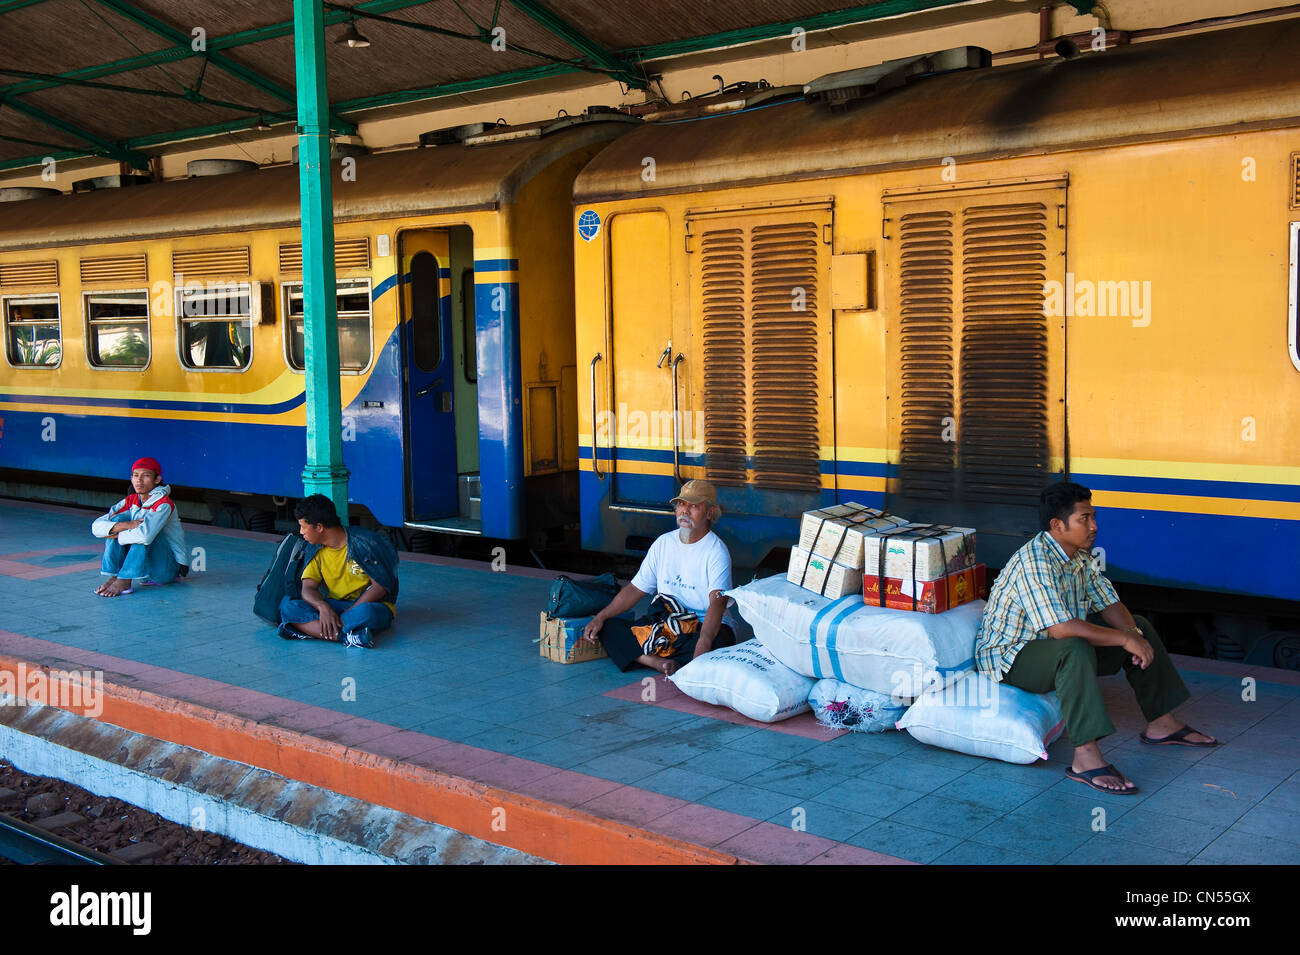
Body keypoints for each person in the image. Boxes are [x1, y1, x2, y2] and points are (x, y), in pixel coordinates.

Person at [974, 481, 1216, 795]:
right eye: (1084, 519)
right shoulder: (1035, 562)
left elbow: (1109, 602)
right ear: (1057, 525)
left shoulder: (1078, 557)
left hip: (1052, 647)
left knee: (1139, 625)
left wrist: (1131, 635)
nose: (1094, 526)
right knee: (1073, 647)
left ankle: (1162, 724)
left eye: (1093, 517)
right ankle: (1085, 758)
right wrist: (1124, 640)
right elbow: (1061, 629)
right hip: (1012, 657)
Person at [582, 479, 736, 676]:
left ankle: (651, 656)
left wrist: (703, 643)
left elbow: (717, 603)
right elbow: (634, 589)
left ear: (710, 513)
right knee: (608, 627)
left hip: (702, 625)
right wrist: (601, 616)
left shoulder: (716, 551)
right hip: (668, 623)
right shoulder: (663, 544)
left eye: (694, 506)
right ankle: (655, 662)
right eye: (681, 504)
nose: (684, 511)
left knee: (719, 642)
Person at [278, 494, 398, 649]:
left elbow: (379, 587)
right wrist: (323, 607)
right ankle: (349, 636)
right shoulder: (315, 548)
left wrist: (348, 612)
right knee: (288, 606)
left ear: (319, 527)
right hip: (334, 606)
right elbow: (308, 588)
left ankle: (312, 630)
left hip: (366, 605)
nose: (301, 532)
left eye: (303, 526)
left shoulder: (364, 542)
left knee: (367, 613)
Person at [91, 457, 189, 596]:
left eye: (146, 476)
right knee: (118, 521)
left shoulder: (164, 503)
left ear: (157, 479)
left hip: (167, 568)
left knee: (145, 532)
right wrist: (124, 525)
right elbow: (96, 526)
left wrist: (116, 533)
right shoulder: (131, 500)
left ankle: (124, 580)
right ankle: (115, 575)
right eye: (136, 476)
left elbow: (145, 536)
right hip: (147, 568)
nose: (139, 480)